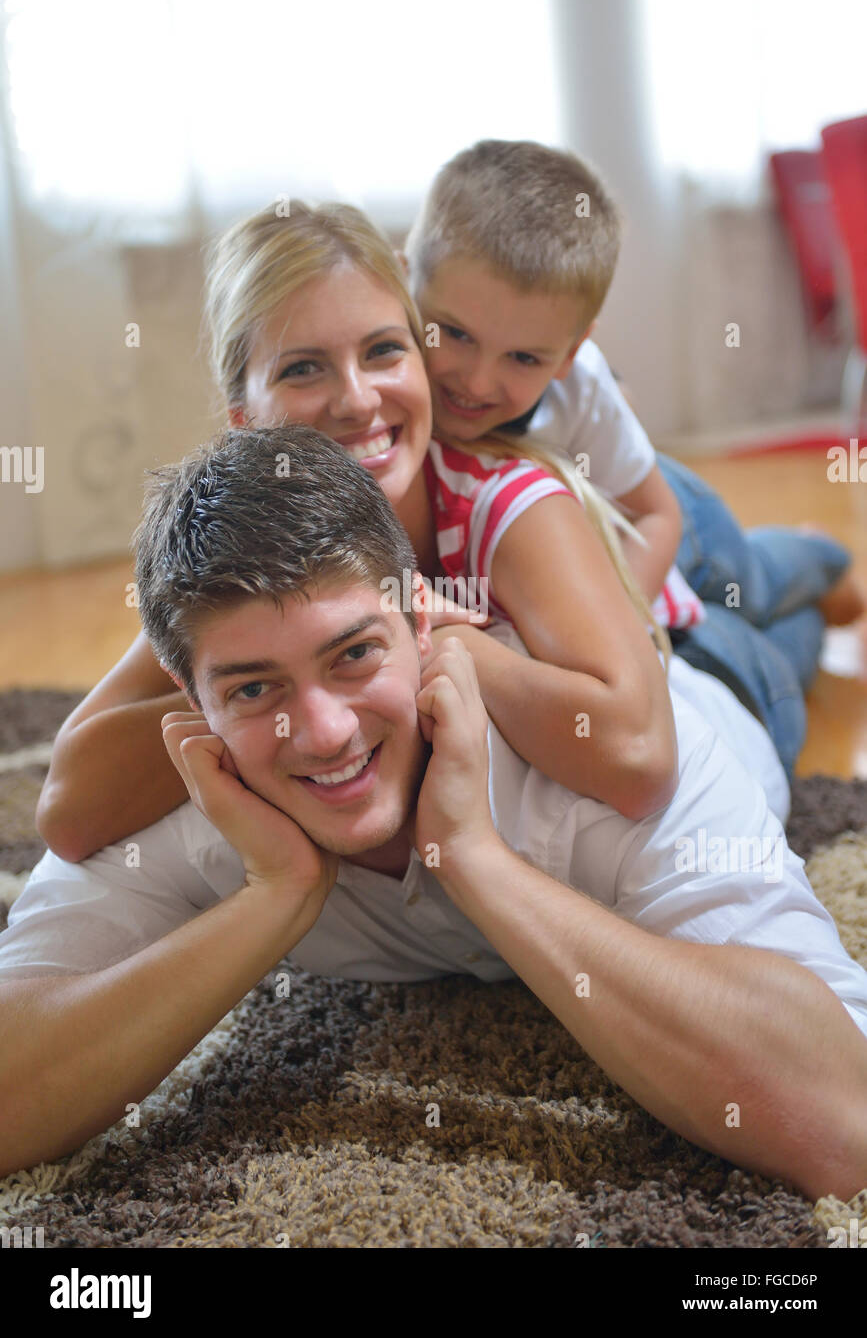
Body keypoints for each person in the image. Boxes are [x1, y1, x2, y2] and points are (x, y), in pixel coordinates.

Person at [2, 424, 866, 1201]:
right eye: (254, 686)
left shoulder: (593, 764)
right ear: (186, 705)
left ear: (428, 620)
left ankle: (804, 554)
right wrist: (273, 895)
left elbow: (843, 1117)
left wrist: (479, 861)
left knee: (766, 606)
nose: (325, 732)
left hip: (730, 686)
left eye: (354, 653)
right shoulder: (191, 796)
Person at [36, 200, 684, 865]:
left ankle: (798, 557)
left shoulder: (503, 503)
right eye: (302, 368)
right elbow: (67, 813)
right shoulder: (244, 552)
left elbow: (639, 762)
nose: (356, 400)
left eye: (381, 351)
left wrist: (436, 637)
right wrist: (250, 695)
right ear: (244, 421)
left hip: (676, 581)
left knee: (757, 589)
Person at [404, 138, 866, 779]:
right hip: (588, 529)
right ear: (408, 286)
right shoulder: (385, 375)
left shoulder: (584, 387)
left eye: (524, 358)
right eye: (454, 333)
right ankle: (811, 609)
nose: (477, 382)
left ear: (569, 354)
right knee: (749, 640)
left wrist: (618, 626)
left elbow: (659, 515)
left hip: (659, 519)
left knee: (750, 580)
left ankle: (818, 554)